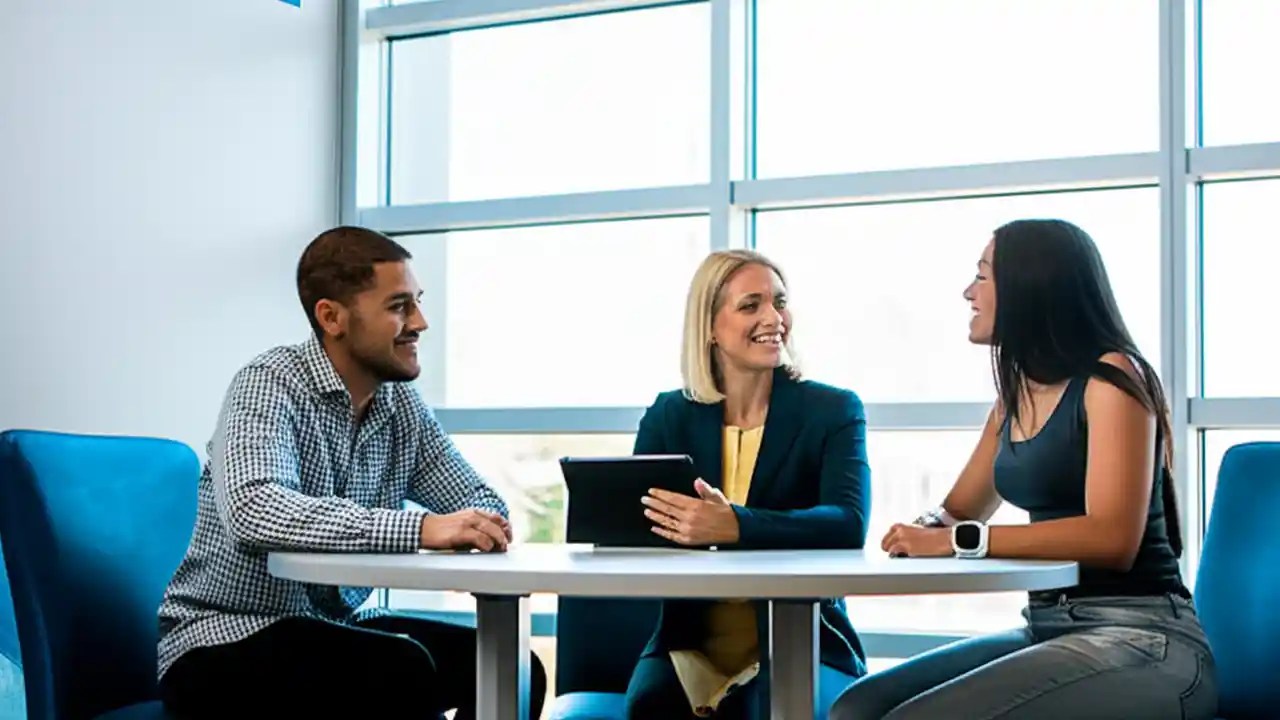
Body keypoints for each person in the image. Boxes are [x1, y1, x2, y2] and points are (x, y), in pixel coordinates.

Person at [829, 219, 1217, 720]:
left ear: (1029, 288)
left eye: (983, 277)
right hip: (1049, 626)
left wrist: (957, 540)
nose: (968, 292)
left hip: (1146, 637)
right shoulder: (1013, 397)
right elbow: (956, 512)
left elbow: (1112, 539)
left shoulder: (1113, 378)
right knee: (856, 708)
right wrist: (923, 531)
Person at [156, 226, 547, 719]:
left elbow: (478, 502)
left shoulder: (399, 404)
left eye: (418, 302)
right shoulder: (269, 383)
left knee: (511, 667)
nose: (421, 322)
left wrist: (477, 526)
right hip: (222, 639)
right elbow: (254, 511)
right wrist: (422, 528)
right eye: (399, 306)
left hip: (332, 629)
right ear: (332, 317)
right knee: (397, 669)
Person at [624, 249, 871, 719]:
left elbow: (847, 522)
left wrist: (736, 525)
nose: (773, 317)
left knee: (762, 711)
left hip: (805, 645)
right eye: (750, 305)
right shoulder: (668, 416)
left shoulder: (833, 411)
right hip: (688, 647)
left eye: (779, 302)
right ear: (710, 328)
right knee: (650, 709)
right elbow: (638, 527)